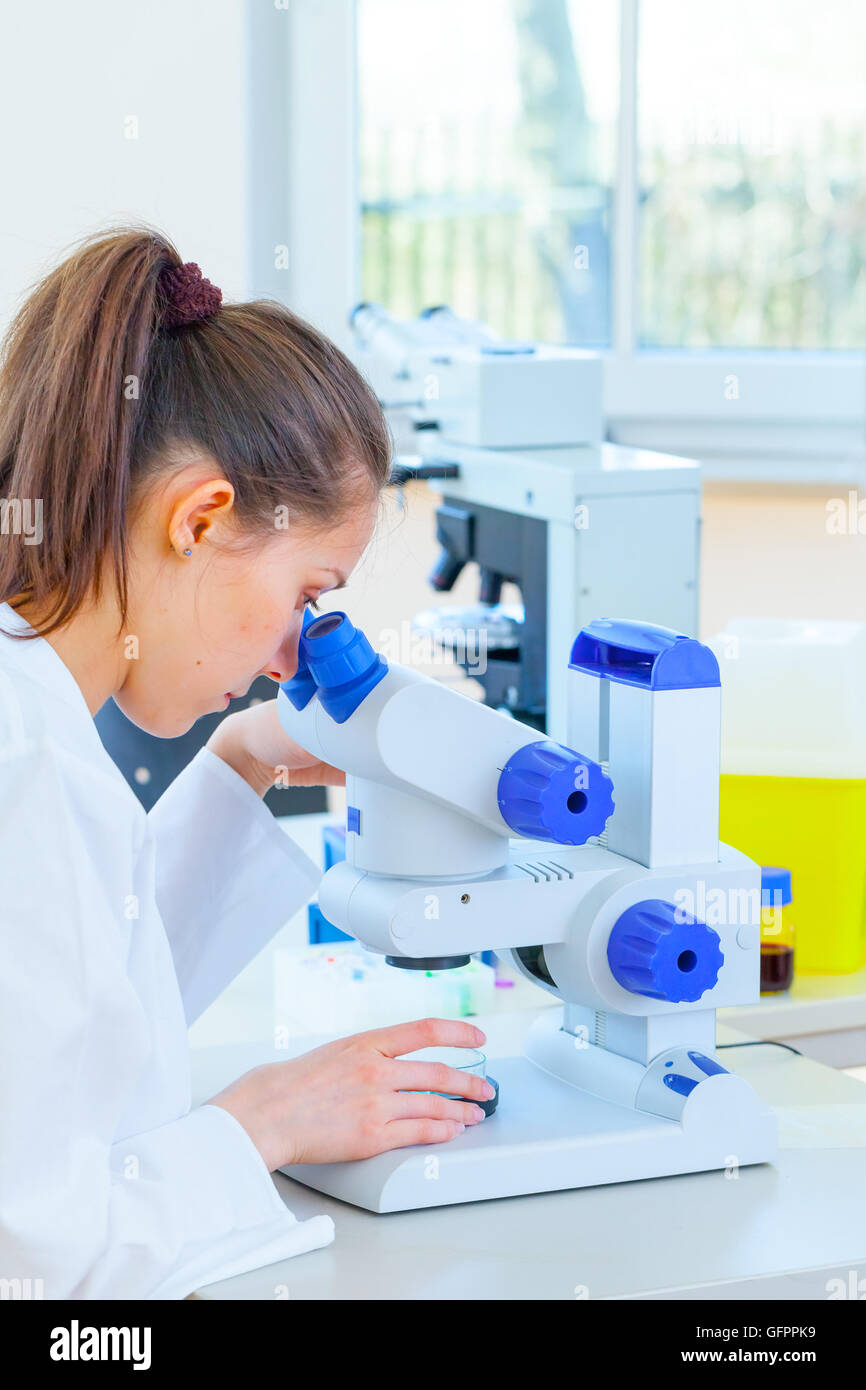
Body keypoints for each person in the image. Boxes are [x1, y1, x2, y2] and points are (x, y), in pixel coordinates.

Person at [0, 229, 491, 1299]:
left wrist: (251, 754)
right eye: (307, 594)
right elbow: (38, 1257)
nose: (288, 661)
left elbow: (74, 999)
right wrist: (258, 1122)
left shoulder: (31, 713)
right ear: (202, 517)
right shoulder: (27, 767)